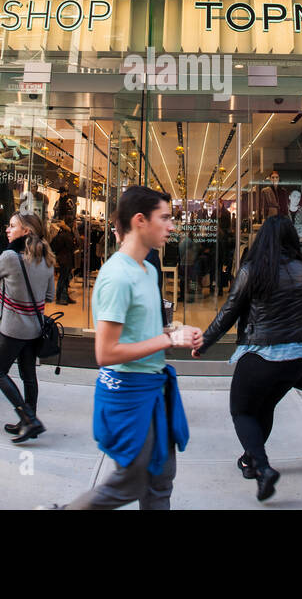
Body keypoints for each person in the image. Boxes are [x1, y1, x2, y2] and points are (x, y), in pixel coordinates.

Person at [61, 186, 201, 510]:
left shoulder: (148, 270)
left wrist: (176, 331)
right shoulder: (116, 276)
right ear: (140, 221)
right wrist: (169, 340)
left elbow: (147, 330)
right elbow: (106, 353)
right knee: (130, 482)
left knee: (161, 479)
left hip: (154, 389)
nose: (171, 226)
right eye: (164, 218)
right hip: (127, 393)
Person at [195, 214, 302, 502]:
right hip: (299, 357)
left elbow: (229, 311)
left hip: (262, 354)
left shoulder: (252, 270)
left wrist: (205, 341)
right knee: (265, 407)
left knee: (242, 411)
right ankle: (251, 461)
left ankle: (261, 467)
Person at [0, 211, 55, 443]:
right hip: (34, 328)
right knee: (29, 376)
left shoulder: (9, 257)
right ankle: (30, 421)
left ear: (26, 231)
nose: (8, 229)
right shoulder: (46, 258)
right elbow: (49, 295)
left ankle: (27, 419)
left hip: (13, 328)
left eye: (12, 225)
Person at [49, 217, 76, 304]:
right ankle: (60, 297)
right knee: (63, 278)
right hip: (65, 259)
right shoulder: (66, 234)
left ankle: (64, 296)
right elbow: (72, 245)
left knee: (65, 278)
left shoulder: (63, 233)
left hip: (64, 258)